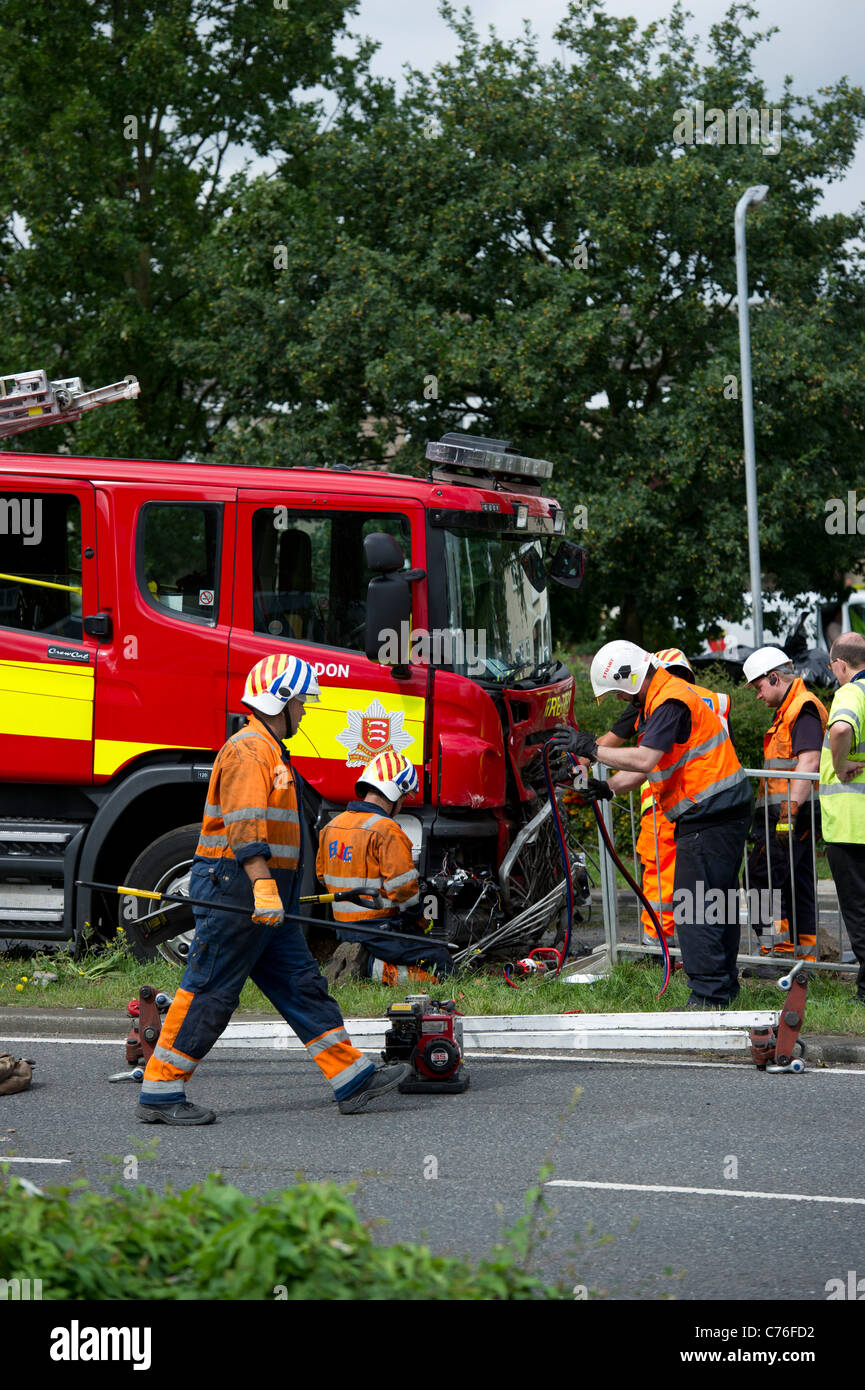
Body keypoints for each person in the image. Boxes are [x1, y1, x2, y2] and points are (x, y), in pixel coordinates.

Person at [137, 653, 409, 1124]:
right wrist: (262, 884)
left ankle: (351, 1077)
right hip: (238, 890)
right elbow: (244, 824)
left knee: (301, 984)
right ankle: (161, 1091)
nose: (303, 712)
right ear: (278, 700)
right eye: (300, 703)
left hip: (262, 895)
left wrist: (269, 890)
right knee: (210, 991)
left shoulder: (268, 748)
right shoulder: (248, 749)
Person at [552, 640, 753, 1008]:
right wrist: (607, 787)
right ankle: (723, 987)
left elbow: (644, 760)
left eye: (616, 691)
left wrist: (591, 748)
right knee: (716, 902)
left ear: (628, 677)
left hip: (709, 814)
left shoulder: (669, 700)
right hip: (722, 809)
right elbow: (651, 767)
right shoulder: (661, 699)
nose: (616, 699)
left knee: (694, 907)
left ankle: (708, 995)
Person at [597, 648, 731, 949]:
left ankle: (658, 941)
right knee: (706, 883)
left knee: (661, 874)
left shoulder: (663, 702)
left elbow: (642, 759)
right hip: (710, 804)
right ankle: (705, 950)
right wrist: (608, 787)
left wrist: (586, 752)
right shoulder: (714, 700)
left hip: (671, 804)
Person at [316, 752, 454, 986]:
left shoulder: (331, 826)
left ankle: (360, 957)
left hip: (342, 928)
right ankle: (369, 967)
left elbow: (322, 876)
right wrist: (418, 922)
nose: (401, 806)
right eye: (403, 798)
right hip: (378, 930)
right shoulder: (387, 830)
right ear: (395, 794)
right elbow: (404, 893)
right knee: (441, 963)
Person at [742, 646, 827, 961]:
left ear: (774, 677)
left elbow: (809, 761)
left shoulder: (802, 708)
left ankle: (775, 950)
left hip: (792, 813)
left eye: (758, 687)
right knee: (796, 881)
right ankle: (805, 956)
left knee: (760, 876)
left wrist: (787, 814)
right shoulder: (791, 709)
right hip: (793, 812)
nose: (758, 695)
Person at [819, 633, 865, 1002]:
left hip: (852, 825)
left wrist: (840, 763)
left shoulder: (851, 693)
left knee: (859, 912)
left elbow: (840, 728)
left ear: (840, 664)